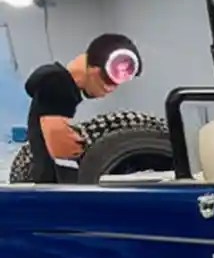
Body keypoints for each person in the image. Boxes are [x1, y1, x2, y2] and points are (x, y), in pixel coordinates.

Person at [23, 33, 143, 184]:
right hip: (56, 187)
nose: (112, 89)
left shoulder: (59, 86)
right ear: (95, 69)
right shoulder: (57, 83)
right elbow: (60, 143)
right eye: (110, 83)